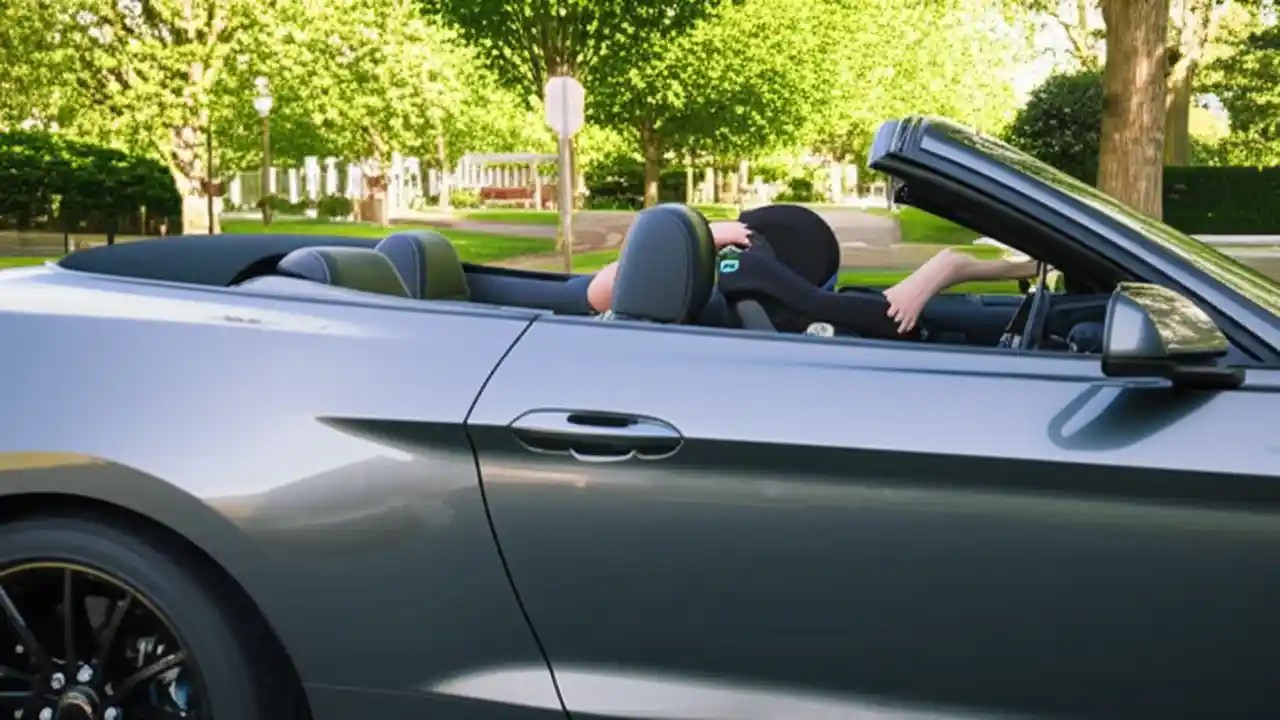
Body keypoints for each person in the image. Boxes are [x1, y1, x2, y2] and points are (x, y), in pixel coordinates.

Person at [587, 221, 1039, 335]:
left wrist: (709, 235)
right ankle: (957, 267)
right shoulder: (642, 294)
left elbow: (818, 303)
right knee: (872, 310)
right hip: (774, 271)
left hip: (771, 262)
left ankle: (957, 268)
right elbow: (597, 291)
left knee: (862, 310)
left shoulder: (732, 268)